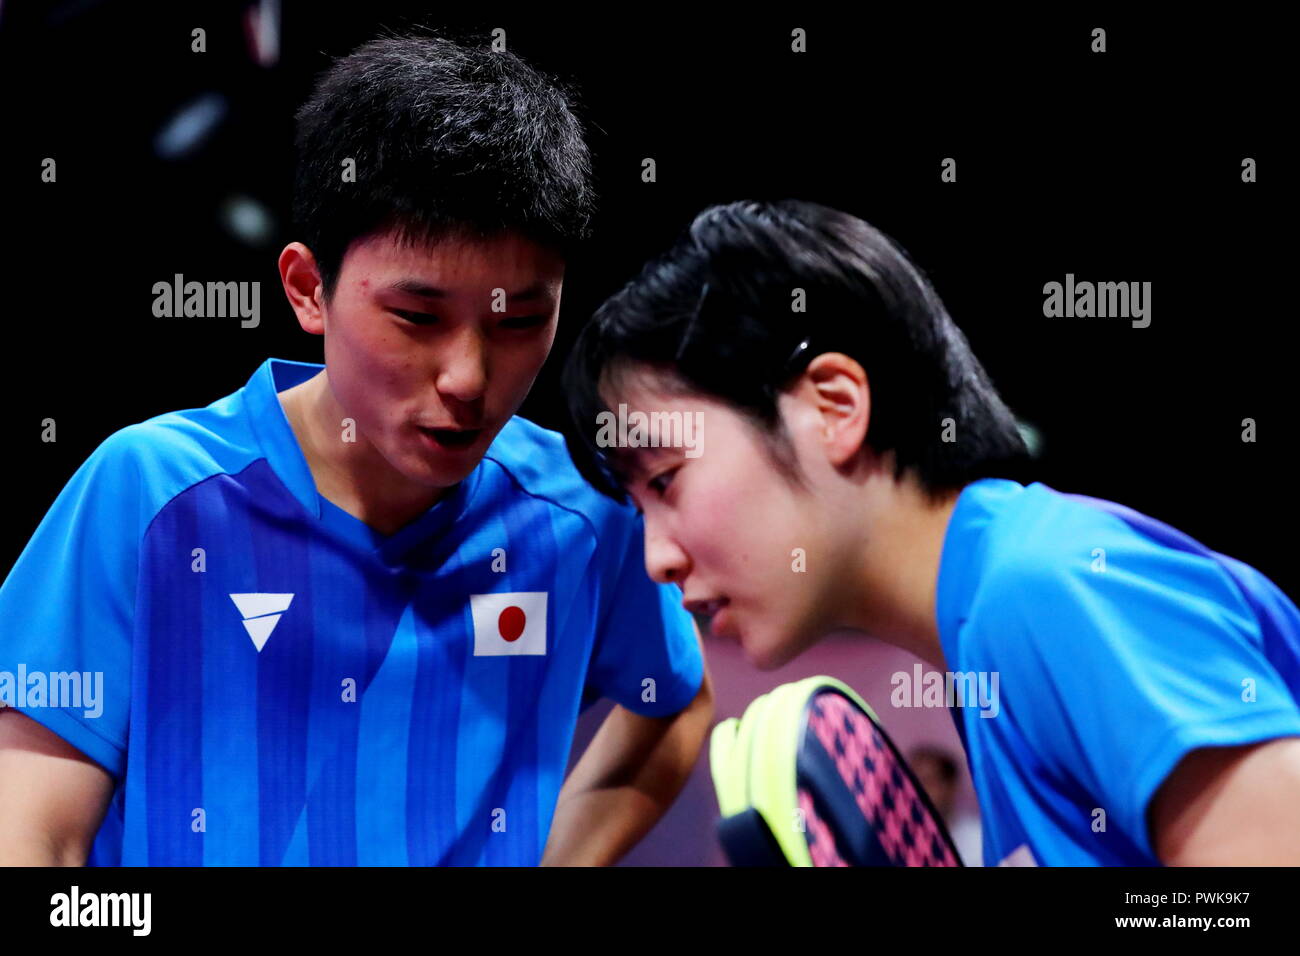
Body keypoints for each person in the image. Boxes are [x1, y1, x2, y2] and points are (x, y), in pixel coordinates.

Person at [0, 30, 712, 867]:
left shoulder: (585, 512)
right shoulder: (149, 493)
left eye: (521, 320)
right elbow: (33, 834)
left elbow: (675, 698)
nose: (468, 378)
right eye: (417, 317)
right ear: (309, 289)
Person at [562, 198, 1300, 866]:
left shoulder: (1042, 587)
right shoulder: (981, 637)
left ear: (832, 407)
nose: (657, 556)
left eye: (664, 480)